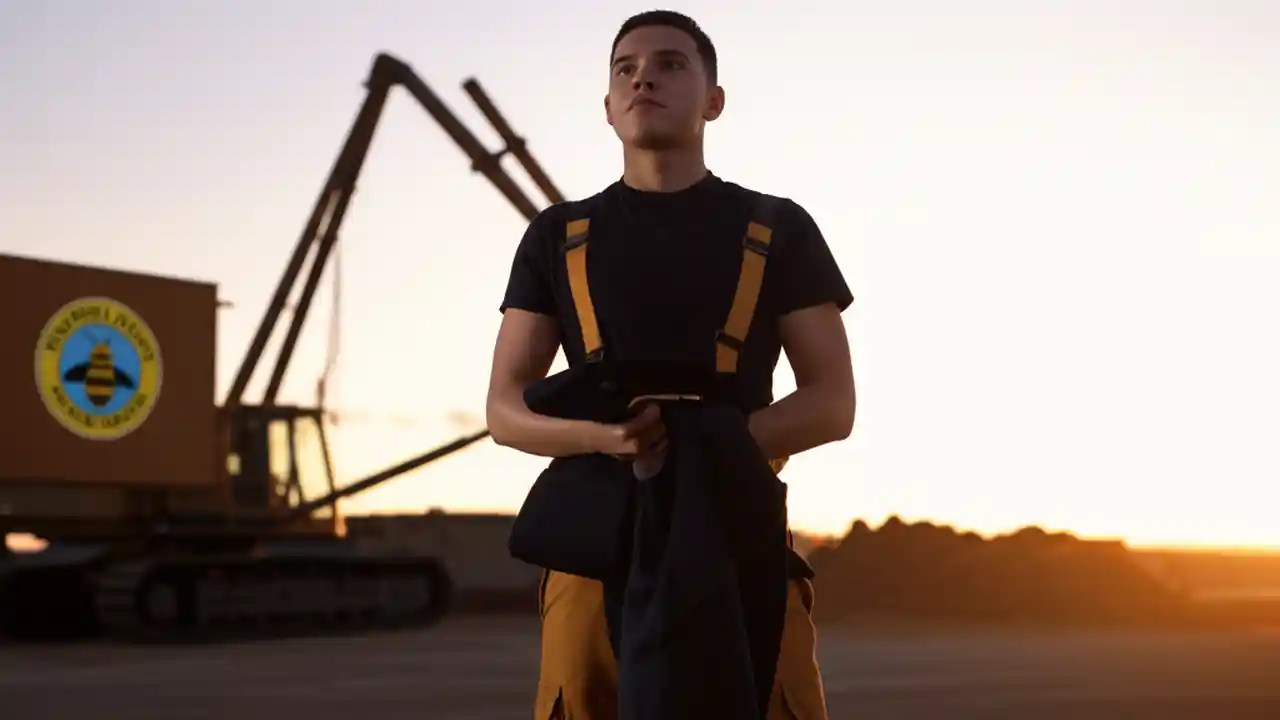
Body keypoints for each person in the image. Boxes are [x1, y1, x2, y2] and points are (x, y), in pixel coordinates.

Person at [486, 10, 855, 719]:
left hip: (736, 531)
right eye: (624, 68)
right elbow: (506, 411)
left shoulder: (780, 227)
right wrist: (606, 441)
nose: (643, 77)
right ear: (607, 107)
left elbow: (833, 404)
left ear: (714, 101)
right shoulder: (557, 235)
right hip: (594, 544)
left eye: (671, 63)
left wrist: (704, 452)